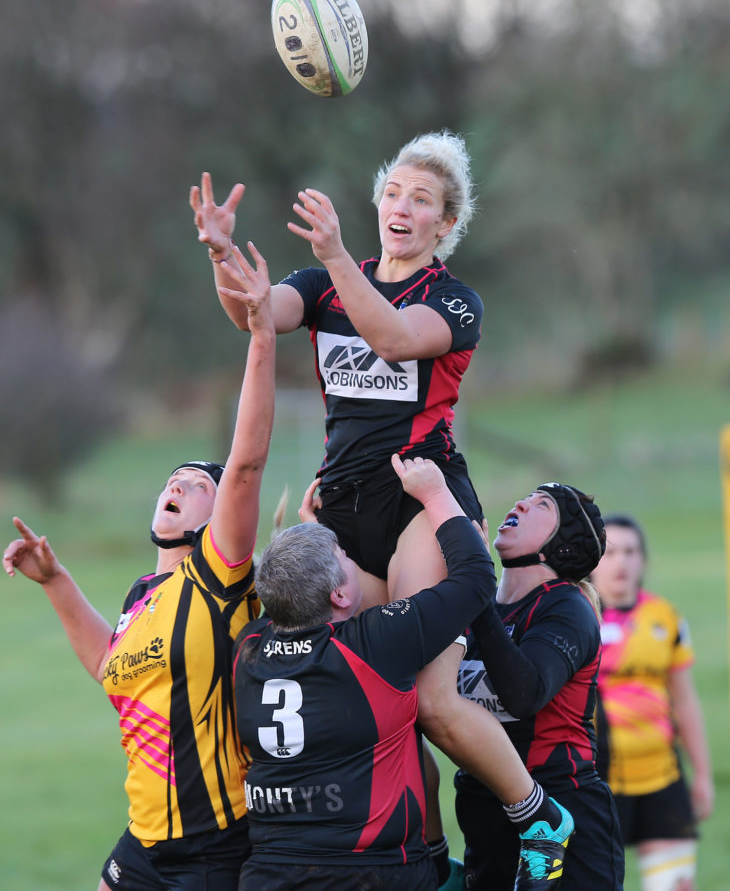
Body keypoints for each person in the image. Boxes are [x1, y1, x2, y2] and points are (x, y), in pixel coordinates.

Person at [191, 133, 571, 890]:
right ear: (379, 202)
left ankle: (537, 814)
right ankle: (429, 859)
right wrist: (221, 255)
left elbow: (395, 340)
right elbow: (256, 315)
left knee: (430, 701)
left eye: (421, 200)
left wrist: (334, 256)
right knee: (375, 703)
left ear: (444, 223)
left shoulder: (452, 300)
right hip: (342, 508)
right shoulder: (329, 282)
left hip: (421, 501)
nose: (403, 206)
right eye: (394, 192)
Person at [3, 242, 277, 891]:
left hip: (214, 843)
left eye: (194, 484)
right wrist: (56, 580)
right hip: (146, 839)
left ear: (218, 518)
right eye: (171, 479)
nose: (176, 485)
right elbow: (109, 667)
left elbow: (243, 466)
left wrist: (262, 335)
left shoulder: (218, 578)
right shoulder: (144, 594)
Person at [232, 455, 496, 891]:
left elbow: (292, 593)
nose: (352, 560)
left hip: (267, 874)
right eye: (344, 557)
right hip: (370, 873)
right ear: (338, 594)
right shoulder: (374, 643)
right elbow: (475, 577)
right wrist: (436, 494)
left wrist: (313, 539)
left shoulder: (249, 646)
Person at [455, 482, 625, 891]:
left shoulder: (566, 606)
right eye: (525, 498)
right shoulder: (479, 607)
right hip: (487, 823)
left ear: (561, 544)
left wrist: (475, 582)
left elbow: (524, 693)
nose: (519, 503)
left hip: (564, 823)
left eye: (541, 505)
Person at [590, 515, 713, 891]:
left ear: (644, 560)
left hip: (661, 774)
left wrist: (703, 774)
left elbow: (685, 700)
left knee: (674, 885)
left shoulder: (665, 617)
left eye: (631, 552)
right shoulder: (574, 616)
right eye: (610, 553)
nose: (621, 562)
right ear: (592, 559)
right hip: (595, 779)